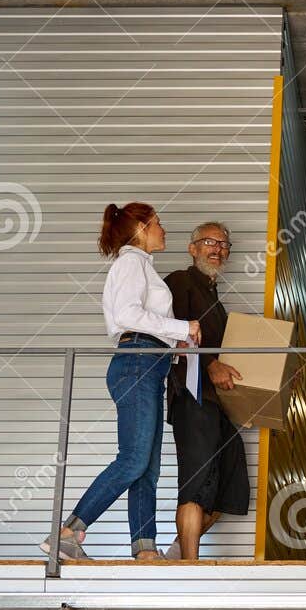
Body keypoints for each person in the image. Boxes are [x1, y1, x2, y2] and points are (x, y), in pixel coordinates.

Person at [41, 202, 199, 562]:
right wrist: (182, 327)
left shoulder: (142, 266)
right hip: (138, 363)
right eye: (158, 223)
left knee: (147, 465)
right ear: (141, 228)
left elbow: (144, 322)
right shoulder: (131, 263)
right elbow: (129, 316)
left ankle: (144, 549)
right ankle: (67, 532)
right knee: (133, 459)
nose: (164, 230)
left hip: (149, 363)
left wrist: (180, 345)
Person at [164, 221, 251, 561]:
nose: (218, 248)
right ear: (193, 248)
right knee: (195, 482)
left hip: (217, 404)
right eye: (209, 242)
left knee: (232, 486)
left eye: (224, 244)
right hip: (191, 395)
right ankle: (188, 564)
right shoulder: (180, 281)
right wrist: (209, 363)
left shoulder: (216, 300)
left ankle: (176, 551)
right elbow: (169, 333)